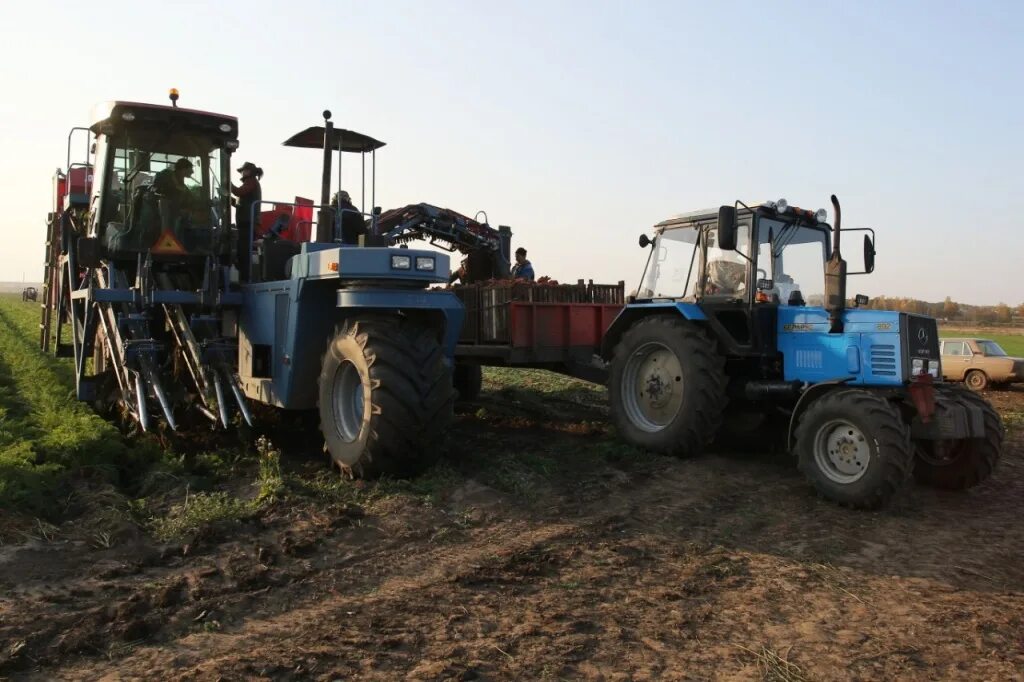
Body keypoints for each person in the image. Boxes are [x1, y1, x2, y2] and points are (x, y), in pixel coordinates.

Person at [232, 162, 263, 280]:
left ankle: (244, 279)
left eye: (244, 170)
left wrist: (227, 184)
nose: (242, 172)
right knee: (242, 251)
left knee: (244, 252)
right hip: (246, 221)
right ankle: (243, 277)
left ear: (249, 171)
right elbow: (242, 204)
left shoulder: (251, 182)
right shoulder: (250, 183)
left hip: (248, 222)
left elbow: (239, 192)